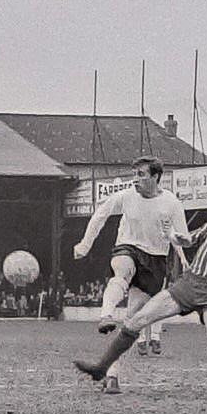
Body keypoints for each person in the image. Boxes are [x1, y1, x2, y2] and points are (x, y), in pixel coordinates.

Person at [74, 189, 207, 398]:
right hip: (189, 283)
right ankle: (101, 369)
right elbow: (191, 240)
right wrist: (173, 236)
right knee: (137, 320)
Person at [71, 156, 190, 391]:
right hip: (128, 246)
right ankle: (106, 315)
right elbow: (100, 215)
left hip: (155, 261)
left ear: (155, 177)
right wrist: (84, 245)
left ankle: (112, 376)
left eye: (141, 174)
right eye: (134, 174)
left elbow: (183, 238)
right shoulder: (125, 196)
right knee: (121, 272)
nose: (135, 179)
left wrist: (172, 236)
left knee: (131, 324)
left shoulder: (172, 203)